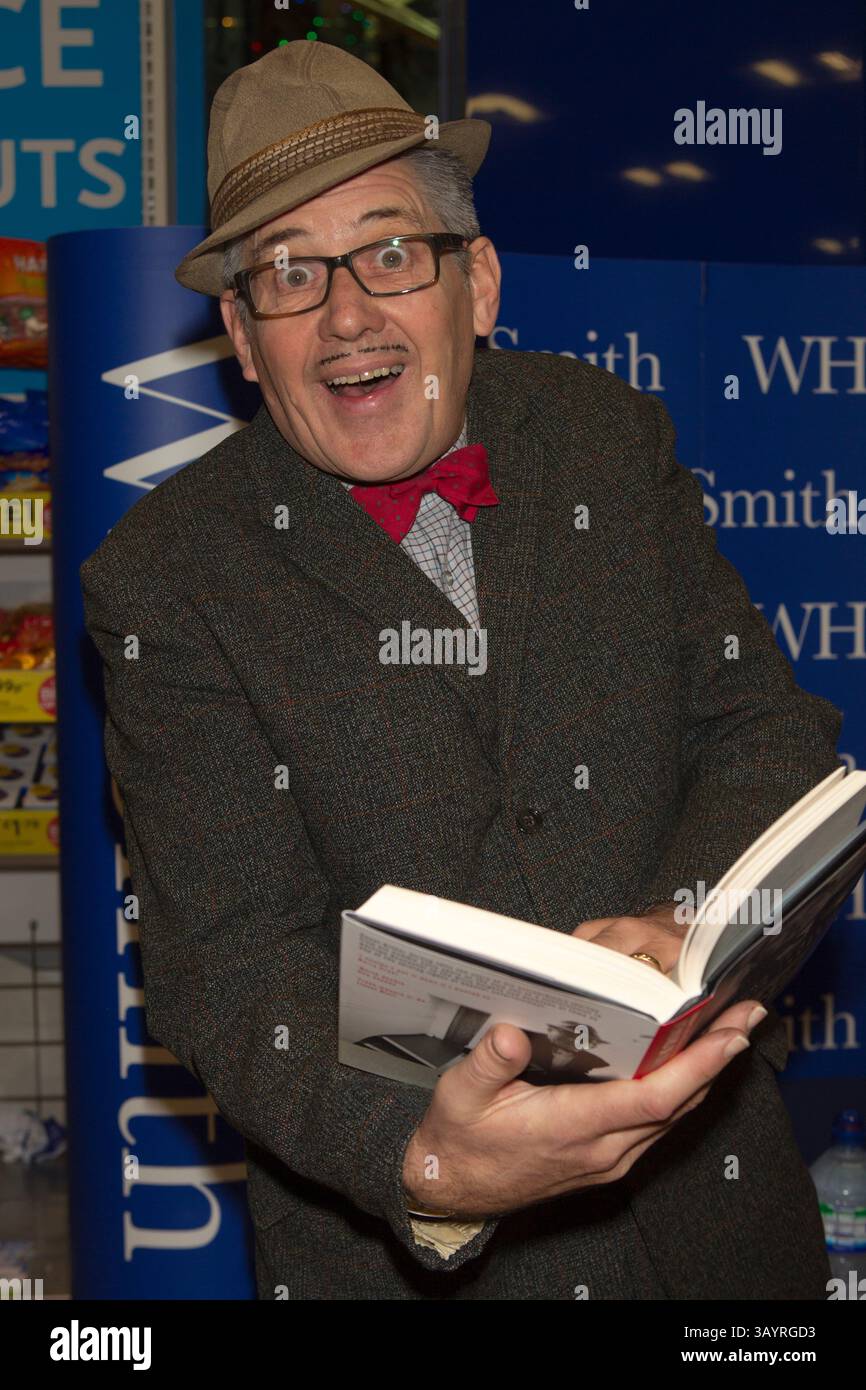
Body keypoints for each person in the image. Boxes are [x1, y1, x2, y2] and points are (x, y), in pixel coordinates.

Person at [80, 41, 840, 1300]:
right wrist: (431, 1158)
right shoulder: (166, 580)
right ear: (241, 339)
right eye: (286, 274)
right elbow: (230, 964)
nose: (344, 315)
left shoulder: (603, 436)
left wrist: (681, 920)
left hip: (723, 1238)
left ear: (475, 283)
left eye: (388, 251)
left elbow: (761, 732)